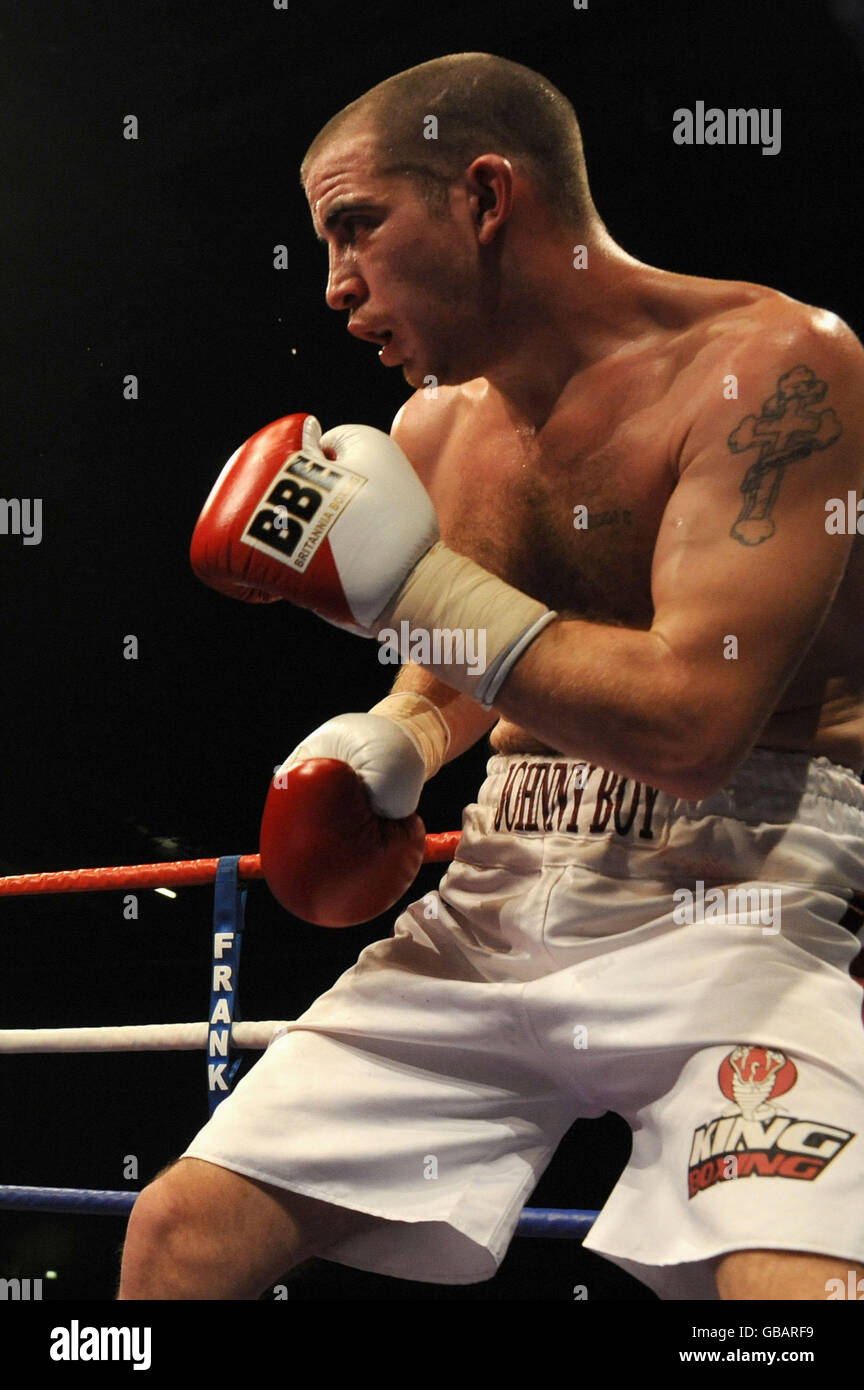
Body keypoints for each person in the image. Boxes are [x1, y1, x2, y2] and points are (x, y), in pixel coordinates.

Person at [118, 52, 864, 1301]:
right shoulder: (433, 427)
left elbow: (695, 722)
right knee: (178, 1235)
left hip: (748, 888)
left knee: (794, 1296)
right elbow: (462, 669)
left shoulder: (777, 368)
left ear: (483, 195)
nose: (337, 287)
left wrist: (404, 586)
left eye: (357, 227)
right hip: (504, 886)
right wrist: (392, 742)